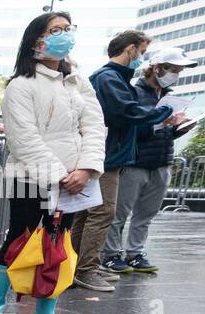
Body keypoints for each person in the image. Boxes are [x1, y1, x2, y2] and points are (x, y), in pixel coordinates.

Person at [0, 11, 105, 314]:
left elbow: (94, 126)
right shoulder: (20, 86)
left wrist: (86, 169)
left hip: (74, 180)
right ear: (38, 40)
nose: (65, 34)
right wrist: (58, 175)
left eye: (68, 28)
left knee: (58, 240)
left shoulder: (79, 81)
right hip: (29, 177)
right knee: (19, 237)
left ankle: (46, 310)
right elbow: (23, 137)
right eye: (56, 29)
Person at [75, 30, 174, 291]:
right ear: (129, 49)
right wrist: (163, 111)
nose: (140, 58)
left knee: (88, 215)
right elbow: (125, 112)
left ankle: (78, 266)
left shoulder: (115, 78)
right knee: (102, 213)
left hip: (108, 155)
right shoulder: (109, 78)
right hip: (106, 157)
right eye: (140, 51)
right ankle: (84, 270)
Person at [101, 47, 197, 273]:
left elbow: (163, 131)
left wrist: (178, 128)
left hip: (162, 160)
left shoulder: (168, 95)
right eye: (173, 69)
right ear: (157, 67)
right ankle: (111, 254)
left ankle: (135, 252)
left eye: (179, 70)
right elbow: (131, 128)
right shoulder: (133, 93)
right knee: (119, 213)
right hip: (135, 162)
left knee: (146, 213)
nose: (176, 74)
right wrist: (161, 122)